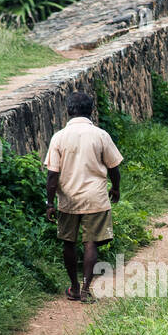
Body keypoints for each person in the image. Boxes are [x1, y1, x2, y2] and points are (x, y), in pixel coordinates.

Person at [44, 91, 123, 302]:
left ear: (69, 110)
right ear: (91, 110)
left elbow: (52, 175)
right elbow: (114, 167)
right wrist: (115, 188)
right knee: (91, 243)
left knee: (68, 243)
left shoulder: (59, 137)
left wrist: (49, 203)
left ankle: (74, 287)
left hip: (68, 199)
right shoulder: (101, 135)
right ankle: (87, 288)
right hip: (95, 197)